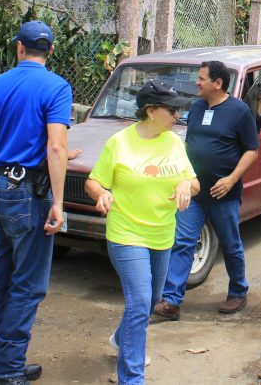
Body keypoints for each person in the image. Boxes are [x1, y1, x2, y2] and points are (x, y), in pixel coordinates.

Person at [0, 21, 73, 385]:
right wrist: (59, 203)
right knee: (28, 284)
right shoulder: (56, 87)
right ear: (50, 50)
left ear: (19, 47)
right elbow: (56, 146)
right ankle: (8, 369)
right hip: (28, 192)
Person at [85, 80, 199, 385]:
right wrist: (101, 194)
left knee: (150, 302)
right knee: (139, 302)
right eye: (172, 109)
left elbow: (192, 181)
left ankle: (122, 339)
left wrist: (185, 184)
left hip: (163, 233)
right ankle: (131, 378)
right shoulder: (119, 142)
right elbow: (94, 181)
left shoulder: (175, 142)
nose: (177, 115)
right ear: (150, 111)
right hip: (126, 234)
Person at [154, 60, 259, 320]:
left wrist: (232, 179)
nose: (197, 83)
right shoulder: (198, 107)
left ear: (218, 83)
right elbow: (191, 143)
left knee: (230, 244)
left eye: (201, 79)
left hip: (223, 194)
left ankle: (237, 291)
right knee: (182, 242)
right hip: (194, 190)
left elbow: (251, 150)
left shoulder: (239, 111)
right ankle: (172, 300)